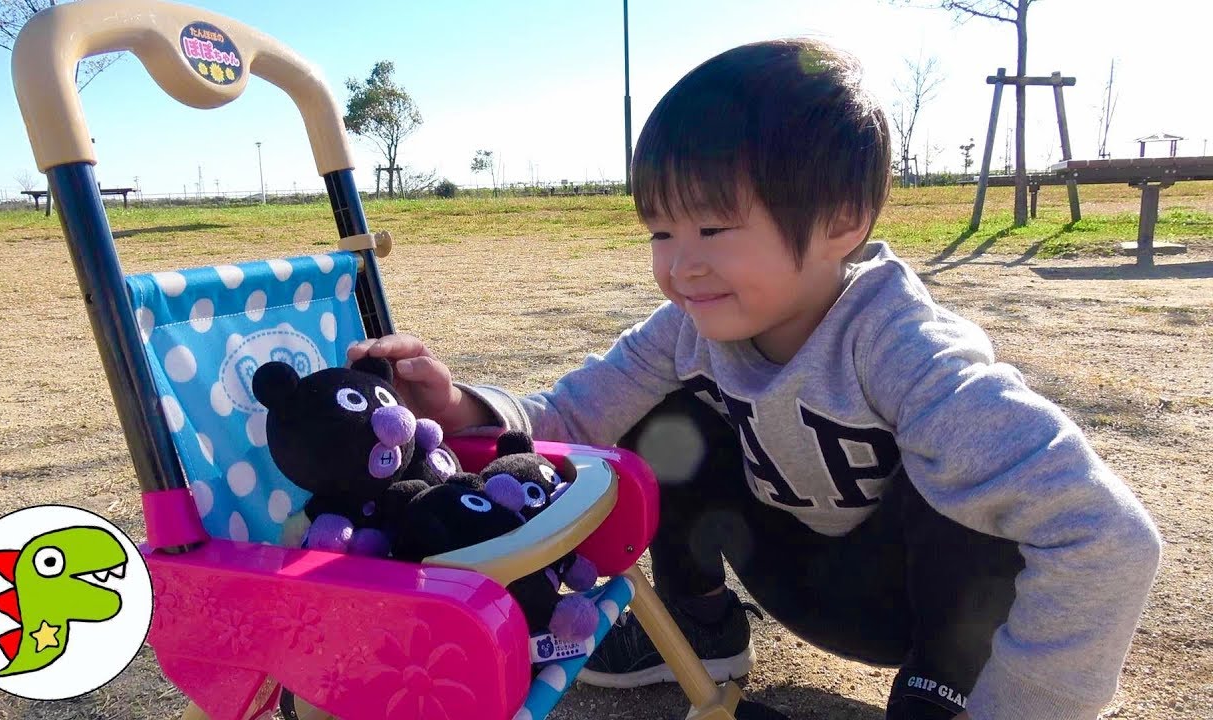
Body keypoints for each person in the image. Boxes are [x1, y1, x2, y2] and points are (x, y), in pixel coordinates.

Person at [347, 38, 1162, 720]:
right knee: (663, 424)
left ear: (842, 221)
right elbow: (574, 416)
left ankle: (937, 694)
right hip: (802, 580)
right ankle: (700, 628)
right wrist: (454, 407)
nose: (680, 264)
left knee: (968, 485)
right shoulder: (689, 330)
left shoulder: (906, 347)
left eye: (712, 225)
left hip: (927, 612)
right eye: (661, 230)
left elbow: (1108, 539)